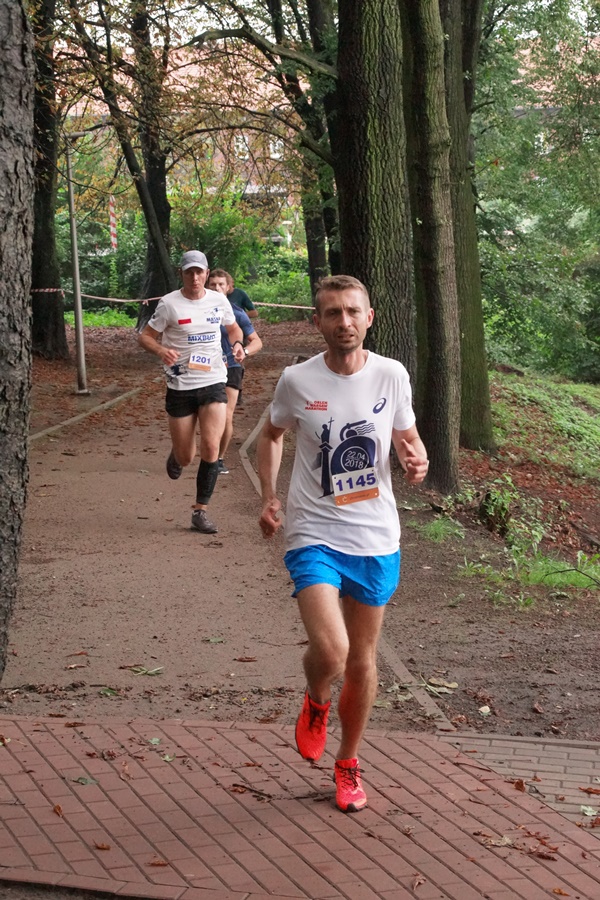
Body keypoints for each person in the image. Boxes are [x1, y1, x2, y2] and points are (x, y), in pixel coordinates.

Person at [257, 275, 428, 814]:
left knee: (362, 660)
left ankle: (348, 762)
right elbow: (272, 435)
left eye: (353, 311)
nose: (344, 322)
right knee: (333, 651)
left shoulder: (391, 375)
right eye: (332, 313)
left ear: (369, 318)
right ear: (318, 322)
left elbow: (406, 435)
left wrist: (416, 458)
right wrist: (268, 496)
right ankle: (316, 700)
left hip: (375, 536)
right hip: (314, 532)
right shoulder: (297, 380)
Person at [138, 250, 244, 534]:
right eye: (189, 272)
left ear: (207, 274)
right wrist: (161, 350)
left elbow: (234, 329)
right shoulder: (169, 304)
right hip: (181, 385)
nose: (195, 277)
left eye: (199, 272)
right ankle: (177, 455)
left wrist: (237, 344)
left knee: (211, 447)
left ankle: (200, 511)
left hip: (213, 381)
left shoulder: (218, 301)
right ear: (181, 274)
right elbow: (145, 337)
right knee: (186, 456)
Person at [206, 270, 263, 474]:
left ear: (229, 288)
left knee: (226, 415)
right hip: (204, 368)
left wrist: (244, 351)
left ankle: (218, 459)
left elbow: (257, 342)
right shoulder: (197, 310)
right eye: (212, 284)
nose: (217, 288)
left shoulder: (237, 313)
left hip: (231, 367)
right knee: (202, 414)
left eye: (221, 284)